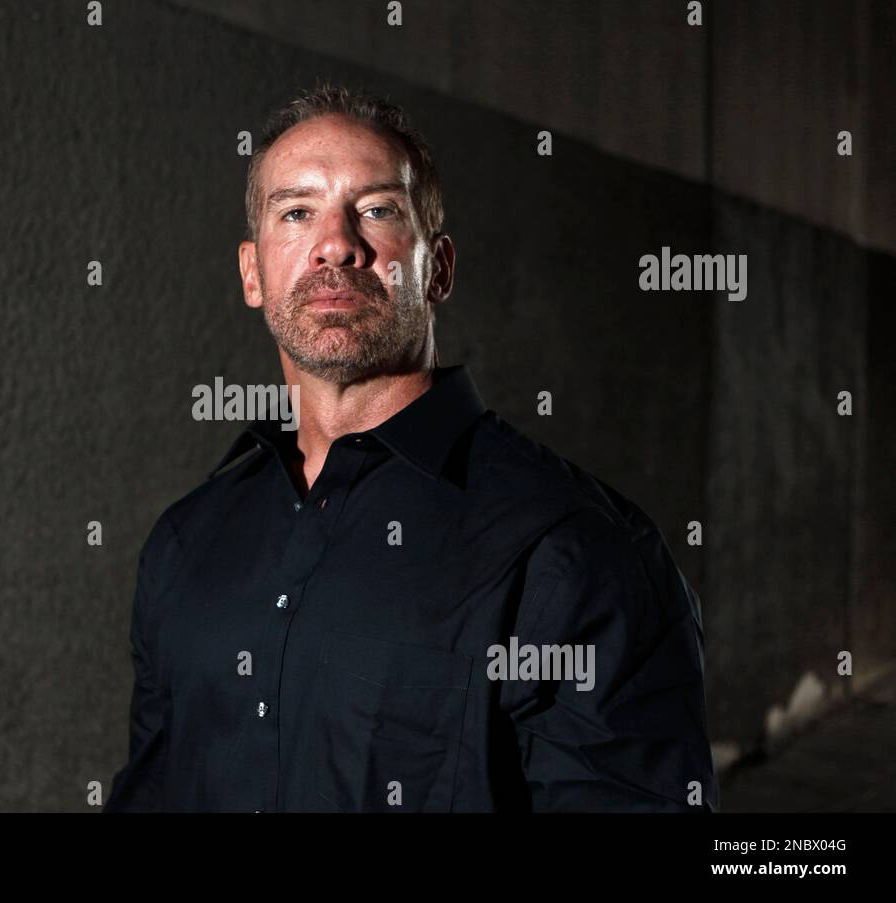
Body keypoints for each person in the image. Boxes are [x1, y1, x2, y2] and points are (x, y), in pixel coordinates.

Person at [104, 83, 718, 812]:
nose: (336, 242)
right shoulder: (186, 540)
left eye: (377, 210)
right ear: (252, 272)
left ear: (439, 268)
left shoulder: (574, 551)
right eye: (297, 212)